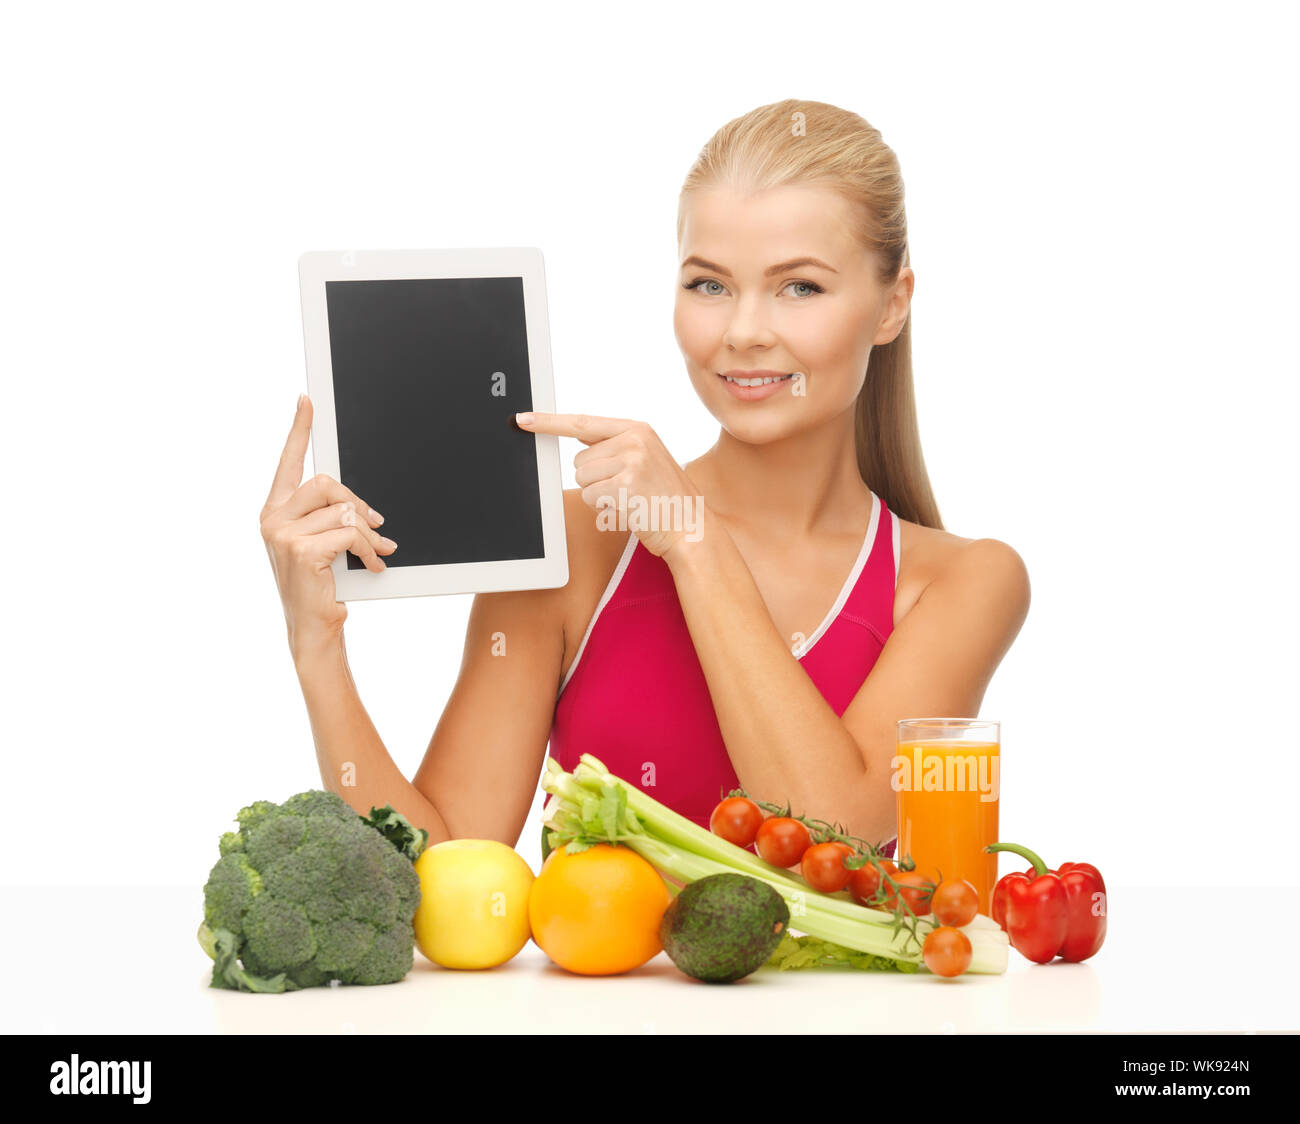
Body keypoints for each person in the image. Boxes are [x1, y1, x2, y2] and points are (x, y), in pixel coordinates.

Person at [258, 98, 1030, 858]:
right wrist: (316, 648)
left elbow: (833, 839)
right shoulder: (568, 546)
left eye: (801, 287)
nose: (744, 332)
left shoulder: (962, 582)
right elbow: (441, 876)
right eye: (709, 284)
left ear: (892, 305)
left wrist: (695, 542)